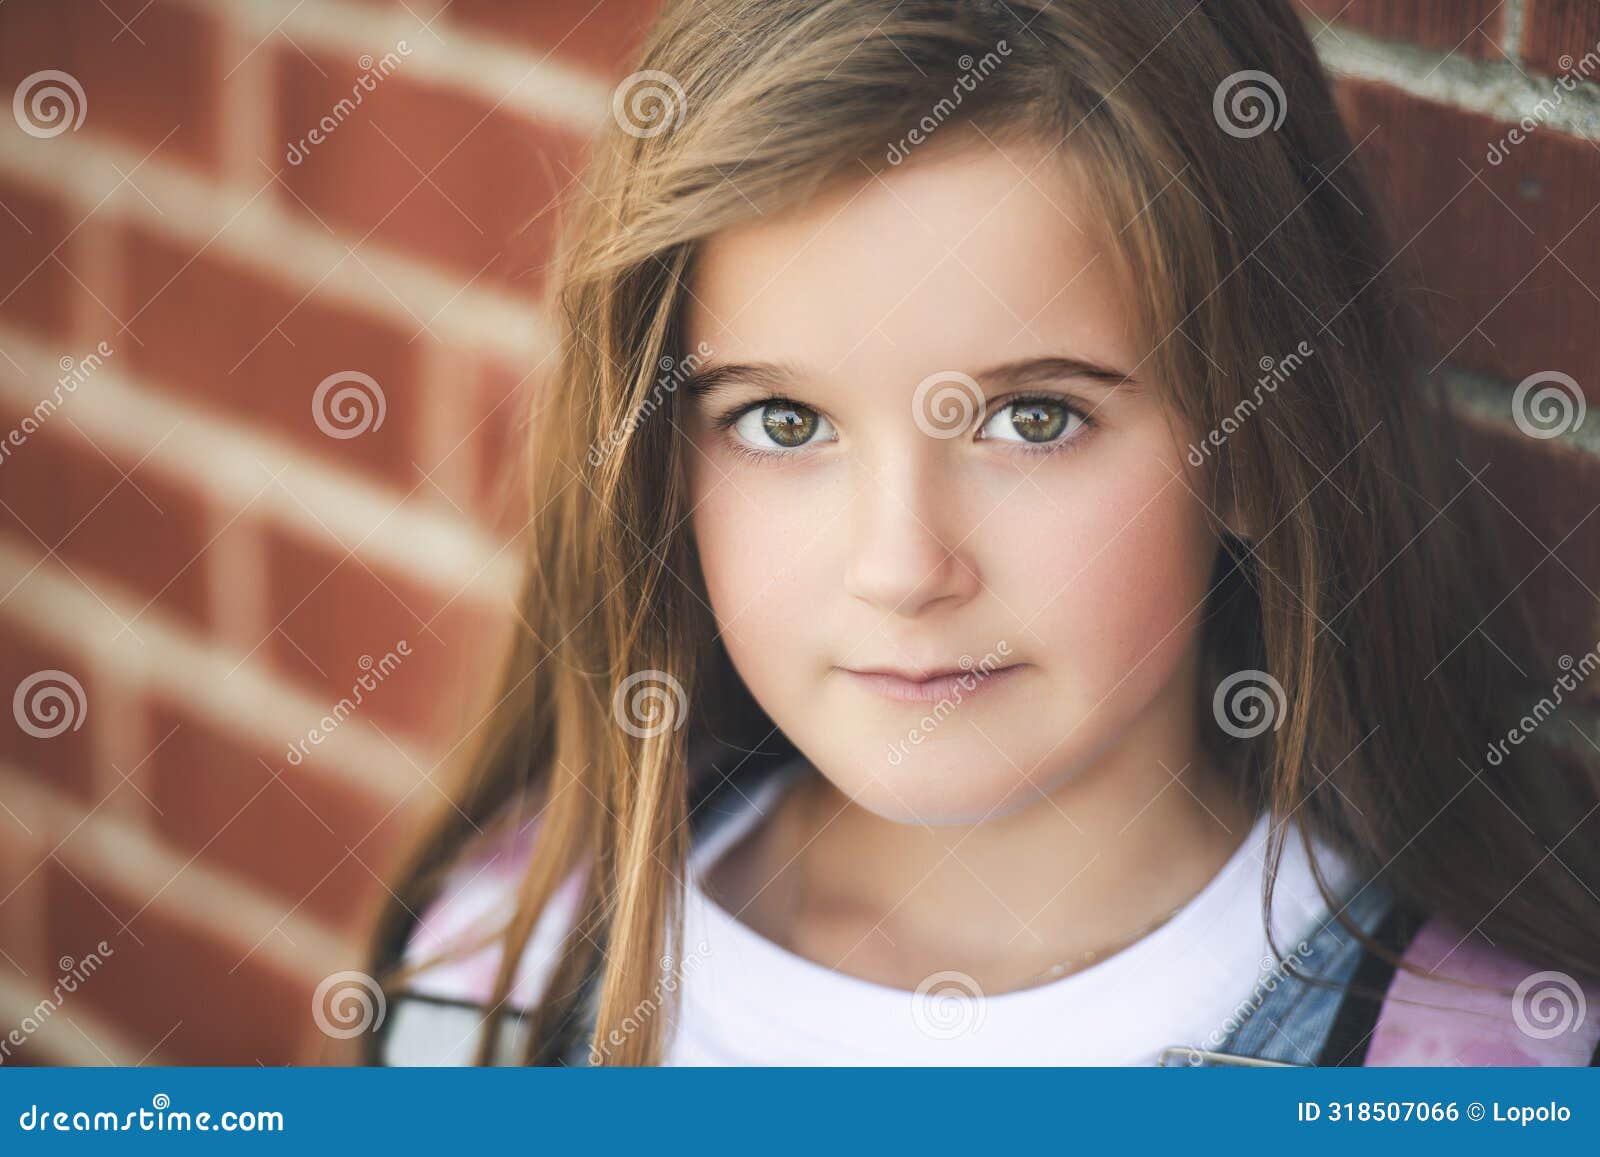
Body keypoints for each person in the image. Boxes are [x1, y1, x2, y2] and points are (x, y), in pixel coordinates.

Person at [364, 0, 1600, 1067]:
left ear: (1254, 437)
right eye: (783, 420)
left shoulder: (1472, 1057)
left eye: (1032, 417)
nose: (902, 568)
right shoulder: (495, 969)